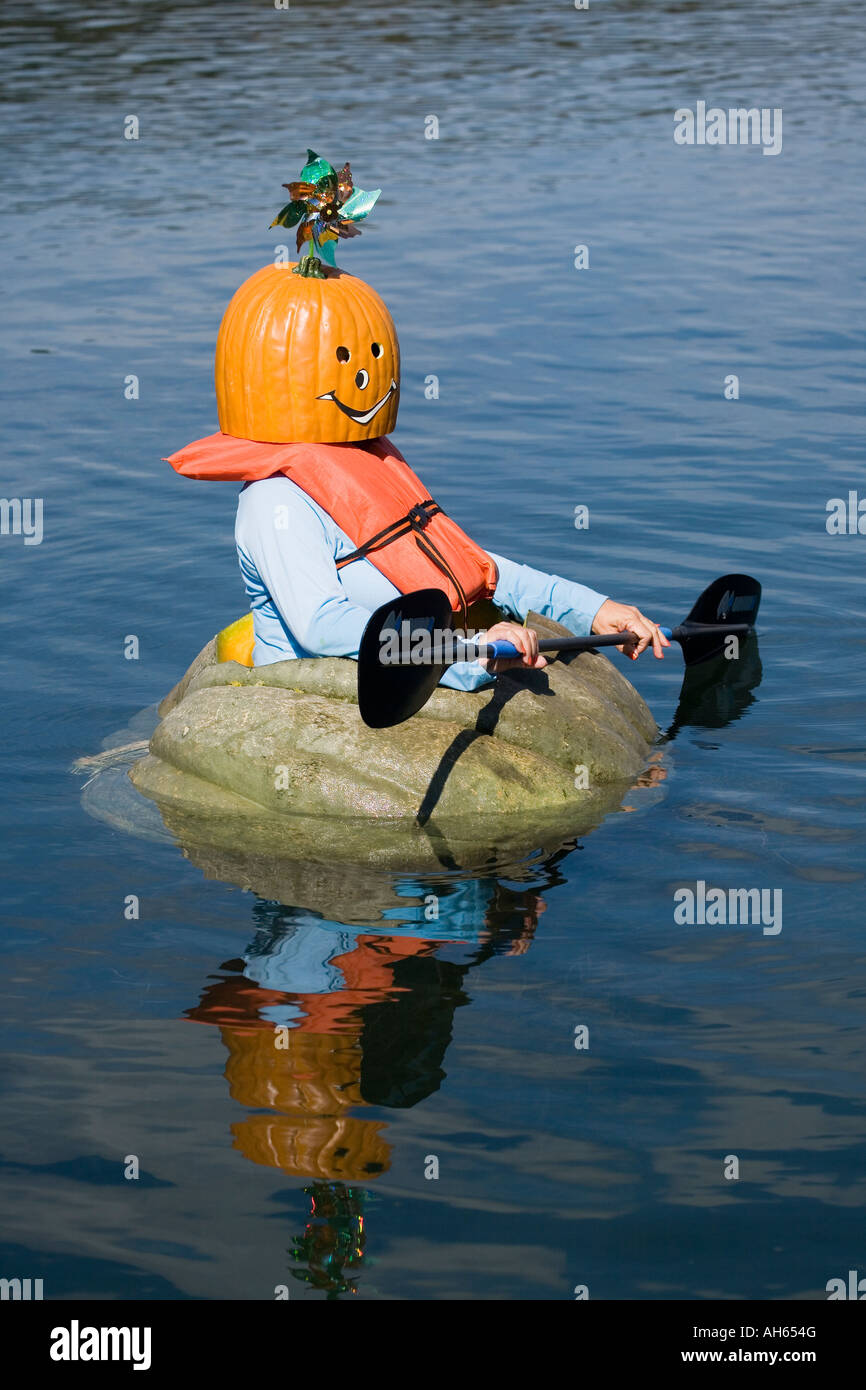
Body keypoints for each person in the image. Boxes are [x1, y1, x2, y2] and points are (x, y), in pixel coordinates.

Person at [235, 472, 670, 690]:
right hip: (311, 691)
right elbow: (322, 627)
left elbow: (469, 565)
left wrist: (591, 609)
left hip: (432, 652)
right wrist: (473, 656)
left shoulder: (365, 468)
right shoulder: (274, 501)